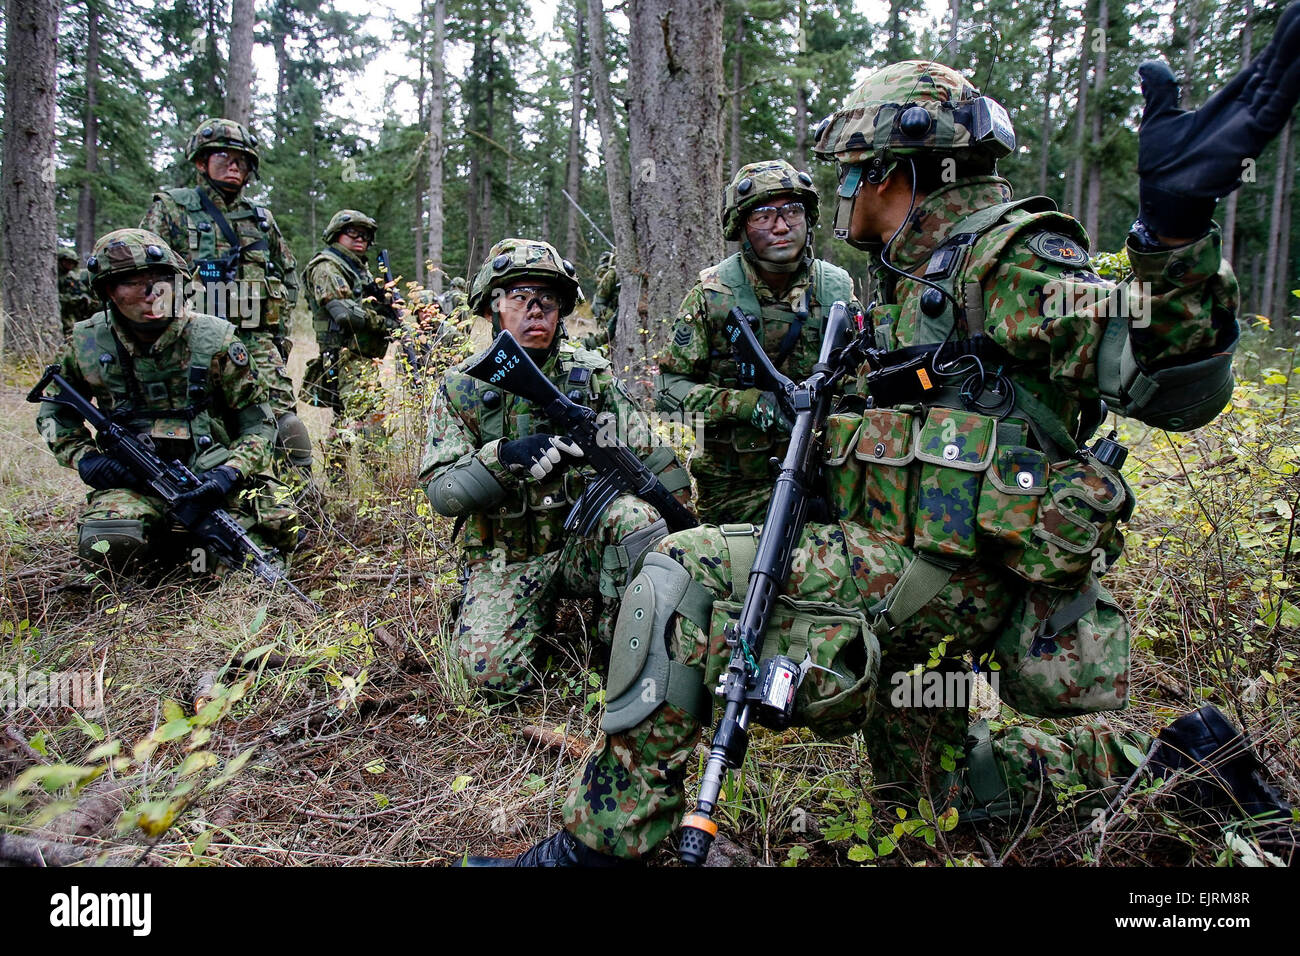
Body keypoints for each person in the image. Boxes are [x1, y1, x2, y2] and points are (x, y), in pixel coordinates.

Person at [471, 42, 1300, 864]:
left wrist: (1175, 235)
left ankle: (591, 852)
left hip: (947, 577)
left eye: (851, 174)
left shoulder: (1006, 255)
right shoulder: (917, 275)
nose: (838, 197)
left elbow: (1157, 371)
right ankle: (1191, 763)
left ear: (901, 173)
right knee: (938, 798)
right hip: (929, 576)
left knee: (683, 574)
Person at [418, 238, 692, 698]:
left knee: (637, 520)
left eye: (547, 300)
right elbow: (441, 491)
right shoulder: (463, 388)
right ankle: (501, 617)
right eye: (519, 299)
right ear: (492, 308)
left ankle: (616, 651)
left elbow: (650, 457)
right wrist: (503, 457)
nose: (535, 311)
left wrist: (689, 532)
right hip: (507, 556)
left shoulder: (591, 376)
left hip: (581, 548)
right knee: (490, 681)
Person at [36, 229, 296, 571]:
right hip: (135, 484)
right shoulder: (88, 343)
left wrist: (229, 473)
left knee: (261, 550)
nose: (152, 293)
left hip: (211, 480)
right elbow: (56, 413)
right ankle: (159, 548)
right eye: (133, 281)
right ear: (109, 290)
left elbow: (259, 424)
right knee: (107, 543)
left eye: (161, 279)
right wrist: (85, 459)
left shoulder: (215, 340)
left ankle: (187, 548)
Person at [656, 160, 864, 524]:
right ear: (741, 226)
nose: (781, 226)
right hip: (737, 487)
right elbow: (668, 392)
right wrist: (746, 405)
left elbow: (864, 378)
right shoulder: (714, 295)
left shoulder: (837, 290)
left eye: (793, 211)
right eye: (764, 215)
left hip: (828, 473)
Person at [141, 118, 311, 484]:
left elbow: (287, 273)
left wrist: (278, 335)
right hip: (193, 339)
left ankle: (304, 502)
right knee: (196, 423)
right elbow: (145, 275)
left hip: (255, 338)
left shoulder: (262, 219)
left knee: (284, 418)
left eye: (242, 159)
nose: (235, 165)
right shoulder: (172, 209)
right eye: (223, 156)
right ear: (201, 162)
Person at [301, 210, 394, 474]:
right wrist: (384, 322)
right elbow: (343, 313)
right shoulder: (327, 266)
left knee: (345, 423)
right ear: (335, 235)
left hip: (359, 357)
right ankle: (382, 485)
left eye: (364, 235)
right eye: (352, 232)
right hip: (345, 357)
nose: (359, 239)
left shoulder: (358, 269)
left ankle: (339, 487)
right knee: (370, 421)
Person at [57, 250, 95, 338]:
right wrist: (71, 299)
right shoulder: (54, 276)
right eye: (67, 262)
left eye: (72, 263)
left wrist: (85, 298)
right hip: (63, 312)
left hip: (74, 311)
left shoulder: (72, 276)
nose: (70, 265)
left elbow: (82, 290)